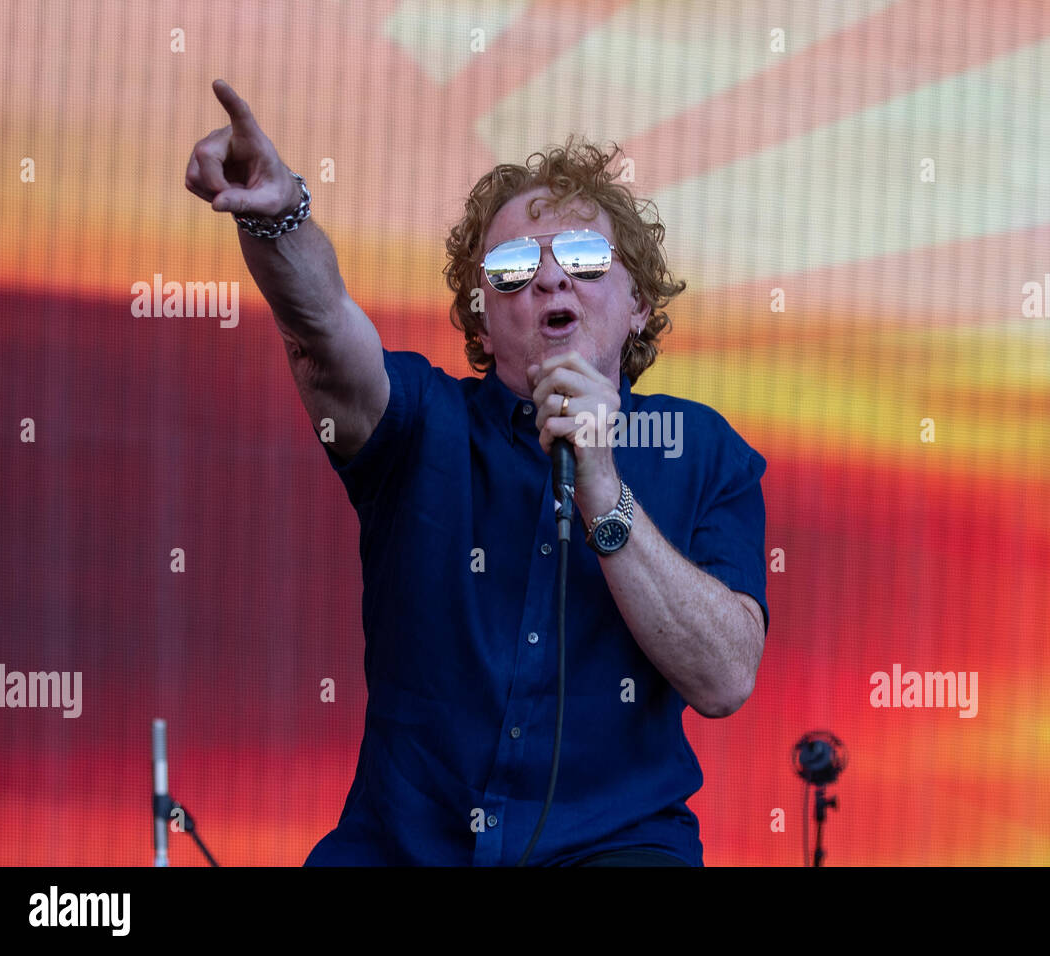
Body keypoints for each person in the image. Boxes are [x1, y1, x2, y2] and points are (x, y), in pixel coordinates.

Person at [185, 79, 769, 866]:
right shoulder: (423, 421)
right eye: (514, 268)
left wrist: (600, 482)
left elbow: (726, 676)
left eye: (587, 260)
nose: (552, 280)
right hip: (401, 849)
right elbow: (322, 328)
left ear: (637, 304)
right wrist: (279, 217)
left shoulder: (701, 449)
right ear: (483, 320)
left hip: (619, 847)